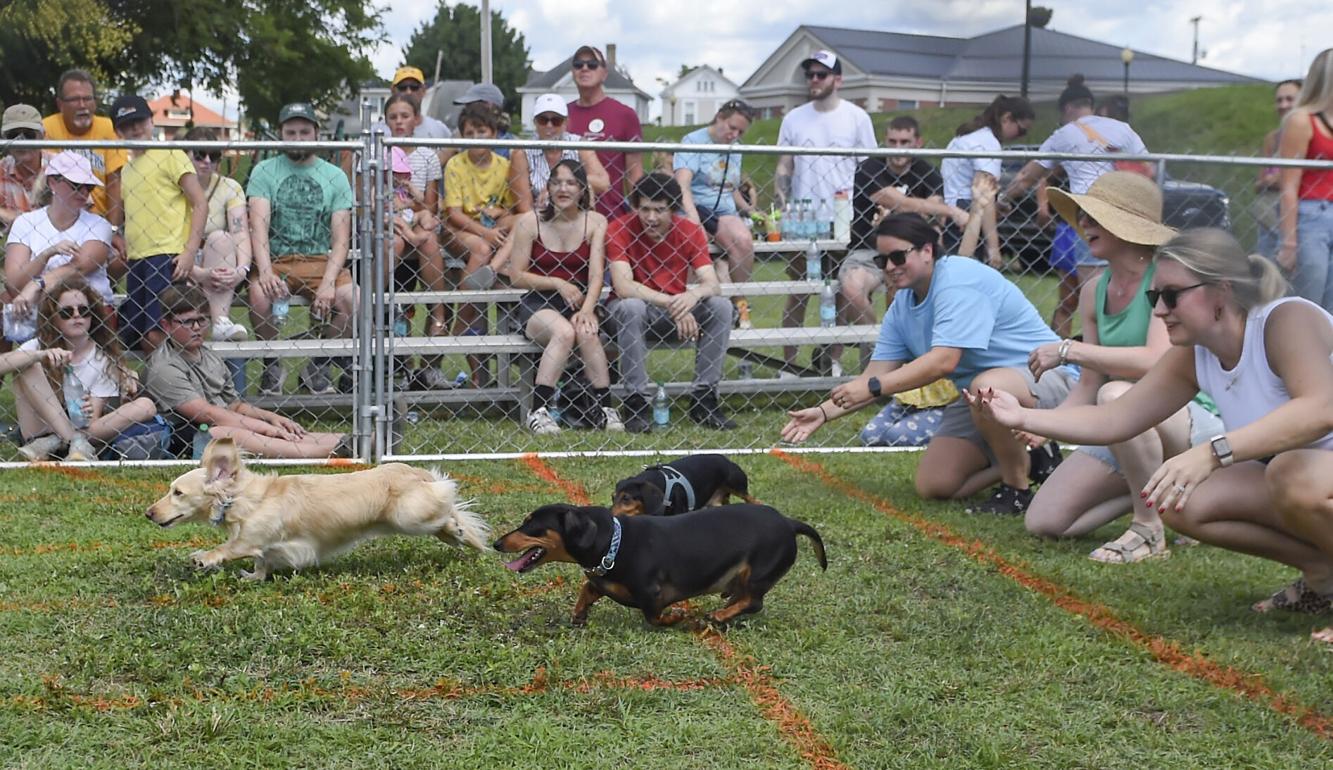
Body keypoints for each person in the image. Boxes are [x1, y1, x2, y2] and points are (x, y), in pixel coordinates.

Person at [968, 228, 1333, 643]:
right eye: (1153, 297)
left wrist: (1213, 453)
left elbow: (1320, 409)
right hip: (1305, 473)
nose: (1159, 310)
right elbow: (1117, 419)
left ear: (1222, 291)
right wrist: (1021, 416)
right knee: (1177, 500)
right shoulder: (1196, 353)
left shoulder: (1286, 320)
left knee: (1291, 474)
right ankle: (1322, 575)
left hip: (1305, 473)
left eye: (1172, 295)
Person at [780, 209, 1074, 515]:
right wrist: (823, 413)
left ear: (927, 251)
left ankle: (1017, 491)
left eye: (898, 256)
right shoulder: (903, 305)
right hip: (979, 398)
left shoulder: (958, 280)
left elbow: (943, 362)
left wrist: (875, 387)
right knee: (935, 485)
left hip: (1044, 379)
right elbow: (872, 376)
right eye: (882, 261)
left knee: (987, 387)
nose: (890, 267)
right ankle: (1035, 459)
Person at [1022, 172, 1225, 563]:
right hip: (1129, 426)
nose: (1083, 224)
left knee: (1115, 394)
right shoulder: (1094, 289)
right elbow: (1087, 386)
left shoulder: (1165, 277)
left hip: (1191, 421)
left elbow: (1154, 362)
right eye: (1083, 216)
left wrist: (1068, 351)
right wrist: (1036, 423)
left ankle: (1148, 528)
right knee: (1046, 521)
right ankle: (1163, 495)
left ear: (1126, 226)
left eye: (1095, 217)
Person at [1003, 75, 1151, 330]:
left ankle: (1094, 354)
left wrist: (1002, 199)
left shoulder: (1064, 134)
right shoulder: (1122, 129)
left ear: (1067, 108)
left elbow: (1028, 175)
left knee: (1093, 294)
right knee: (1128, 289)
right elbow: (1149, 170)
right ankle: (1123, 350)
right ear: (1090, 105)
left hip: (1089, 216)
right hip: (1126, 217)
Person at [146, 283, 350, 458]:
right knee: (235, 433)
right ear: (166, 325)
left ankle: (350, 441)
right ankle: (321, 452)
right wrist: (264, 428)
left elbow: (234, 406)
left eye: (202, 320)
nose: (197, 327)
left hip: (222, 423)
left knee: (279, 429)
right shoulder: (164, 366)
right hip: (186, 436)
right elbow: (207, 414)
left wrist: (271, 418)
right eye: (187, 322)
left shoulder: (209, 356)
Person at [606, 173, 735, 433]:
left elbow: (711, 283)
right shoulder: (619, 228)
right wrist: (673, 304)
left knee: (721, 306)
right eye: (644, 209)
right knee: (631, 306)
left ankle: (704, 398)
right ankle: (636, 402)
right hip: (629, 312)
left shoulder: (688, 230)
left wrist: (691, 297)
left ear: (673, 209)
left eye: (659, 210)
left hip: (674, 309)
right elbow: (623, 286)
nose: (651, 218)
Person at [775, 50, 877, 374]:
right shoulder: (794, 118)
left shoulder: (857, 117)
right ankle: (787, 364)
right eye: (810, 75)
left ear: (838, 79)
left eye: (821, 74)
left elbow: (870, 168)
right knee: (798, 291)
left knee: (837, 292)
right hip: (804, 219)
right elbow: (784, 165)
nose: (814, 80)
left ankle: (832, 361)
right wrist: (782, 202)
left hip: (844, 218)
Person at [247, 102, 357, 396]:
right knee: (259, 295)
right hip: (278, 260)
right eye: (290, 132)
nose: (297, 138)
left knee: (353, 300)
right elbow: (258, 226)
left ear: (316, 134)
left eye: (304, 132)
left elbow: (341, 239)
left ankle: (319, 364)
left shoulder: (335, 176)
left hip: (321, 261)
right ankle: (272, 364)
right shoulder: (264, 171)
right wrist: (267, 271)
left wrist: (329, 283)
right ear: (280, 134)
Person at [507, 159, 621, 434]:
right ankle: (539, 411)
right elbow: (516, 276)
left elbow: (596, 275)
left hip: (579, 303)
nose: (563, 188)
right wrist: (557, 282)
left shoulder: (595, 222)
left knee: (586, 331)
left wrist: (589, 310)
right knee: (563, 332)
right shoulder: (529, 222)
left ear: (582, 189)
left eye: (571, 183)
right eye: (557, 182)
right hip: (538, 303)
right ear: (547, 187)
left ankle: (606, 408)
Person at [842, 115, 962, 368]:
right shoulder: (869, 167)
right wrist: (921, 211)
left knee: (901, 292)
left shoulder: (926, 170)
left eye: (904, 141)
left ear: (917, 142)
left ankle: (901, 360)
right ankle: (879, 351)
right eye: (892, 141)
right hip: (867, 249)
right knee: (852, 289)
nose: (897, 148)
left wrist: (914, 211)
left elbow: (934, 208)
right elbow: (893, 199)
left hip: (909, 253)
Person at [11, 276, 158, 462]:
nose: (76, 316)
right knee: (25, 364)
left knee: (146, 405)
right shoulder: (37, 346)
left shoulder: (102, 357)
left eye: (83, 310)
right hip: (40, 434)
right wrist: (39, 356)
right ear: (53, 318)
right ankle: (64, 438)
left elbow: (92, 421)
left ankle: (65, 441)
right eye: (66, 312)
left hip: (83, 437)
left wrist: (88, 409)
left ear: (92, 315)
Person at [111, 94, 207, 354]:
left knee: (159, 331)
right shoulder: (128, 170)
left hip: (165, 256)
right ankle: (163, 386)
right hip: (137, 259)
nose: (135, 129)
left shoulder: (170, 154)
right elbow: (126, 213)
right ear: (118, 131)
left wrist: (189, 252)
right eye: (126, 125)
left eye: (140, 121)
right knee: (140, 333)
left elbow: (200, 203)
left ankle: (181, 383)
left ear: (152, 121)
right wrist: (114, 233)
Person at [442, 101, 530, 384]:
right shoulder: (456, 163)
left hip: (493, 228)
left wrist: (501, 215)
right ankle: (463, 316)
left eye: (482, 131)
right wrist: (486, 233)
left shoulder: (504, 166)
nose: (476, 138)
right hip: (462, 229)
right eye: (470, 132)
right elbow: (453, 214)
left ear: (494, 135)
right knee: (480, 248)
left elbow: (512, 209)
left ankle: (488, 273)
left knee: (522, 221)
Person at [4, 152, 114, 347]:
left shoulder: (99, 225)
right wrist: (47, 254)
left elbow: (79, 268)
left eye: (89, 187)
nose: (83, 193)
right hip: (39, 312)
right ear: (53, 183)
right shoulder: (26, 222)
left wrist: (35, 285)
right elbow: (14, 285)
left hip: (87, 312)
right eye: (76, 186)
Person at [382, 93, 450, 390]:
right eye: (393, 116)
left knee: (428, 239)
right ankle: (385, 309)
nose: (399, 121)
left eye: (405, 115)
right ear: (386, 120)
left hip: (417, 221)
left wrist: (416, 204)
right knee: (398, 242)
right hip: (387, 226)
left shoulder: (426, 156)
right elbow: (366, 200)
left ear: (416, 119)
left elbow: (430, 206)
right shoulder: (376, 151)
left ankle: (438, 310)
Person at [673, 98, 758, 329]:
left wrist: (751, 210)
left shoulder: (735, 147)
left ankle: (739, 297)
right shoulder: (693, 141)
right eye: (732, 128)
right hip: (694, 206)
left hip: (724, 212)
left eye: (740, 132)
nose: (734, 135)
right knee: (702, 250)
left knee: (743, 240)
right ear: (719, 117)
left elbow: (730, 189)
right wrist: (694, 220)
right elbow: (682, 186)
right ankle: (710, 309)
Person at [940, 95, 1034, 265]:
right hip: (967, 210)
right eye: (1021, 130)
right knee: (965, 270)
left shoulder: (969, 135)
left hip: (952, 208)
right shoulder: (988, 143)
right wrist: (994, 248)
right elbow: (984, 198)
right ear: (1007, 118)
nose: (1021, 136)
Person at [181, 127, 250, 342]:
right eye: (200, 155)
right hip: (182, 260)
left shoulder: (230, 187)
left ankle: (220, 321)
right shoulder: (173, 186)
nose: (207, 161)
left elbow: (241, 233)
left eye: (215, 156)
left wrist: (241, 270)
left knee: (221, 238)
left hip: (220, 261)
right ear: (185, 155)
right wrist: (199, 273)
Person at [1278, 49, 1333, 309]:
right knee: (1310, 303)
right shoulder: (1301, 120)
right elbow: (1288, 185)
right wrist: (1289, 242)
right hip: (1311, 216)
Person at [41, 70, 126, 231]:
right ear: (60, 104)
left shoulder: (108, 128)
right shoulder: (47, 128)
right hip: (56, 221)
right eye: (74, 99)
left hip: (97, 220)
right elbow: (45, 183)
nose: (82, 105)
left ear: (95, 102)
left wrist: (112, 230)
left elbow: (114, 182)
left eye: (87, 99)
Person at [566, 44, 644, 218]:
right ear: (573, 72)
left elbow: (634, 172)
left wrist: (637, 212)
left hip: (611, 214)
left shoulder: (625, 115)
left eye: (592, 64)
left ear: (604, 73)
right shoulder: (560, 117)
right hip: (566, 214)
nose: (584, 68)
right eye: (578, 64)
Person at [512, 93, 609, 211]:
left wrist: (557, 185)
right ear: (535, 122)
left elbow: (603, 182)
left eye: (556, 120)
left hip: (575, 216)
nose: (549, 125)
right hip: (538, 218)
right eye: (543, 120)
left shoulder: (579, 144)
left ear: (565, 122)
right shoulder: (522, 152)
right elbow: (524, 207)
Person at [1254, 79, 1302, 258]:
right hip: (1269, 221)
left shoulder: (1314, 136)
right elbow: (1258, 183)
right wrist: (1270, 180)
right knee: (1267, 275)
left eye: (1290, 99)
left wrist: (1279, 179)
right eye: (1279, 100)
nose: (1283, 105)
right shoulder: (1272, 139)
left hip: (1301, 222)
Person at [390, 65, 454, 165]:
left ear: (423, 90)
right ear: (393, 90)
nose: (408, 92)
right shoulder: (376, 131)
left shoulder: (439, 129)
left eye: (414, 87)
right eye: (402, 87)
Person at [0, 104, 45, 236]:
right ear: (4, 139)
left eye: (29, 134)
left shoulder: (62, 167)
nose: (21, 141)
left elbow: (83, 213)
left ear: (42, 136)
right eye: (13, 135)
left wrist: (15, 220)